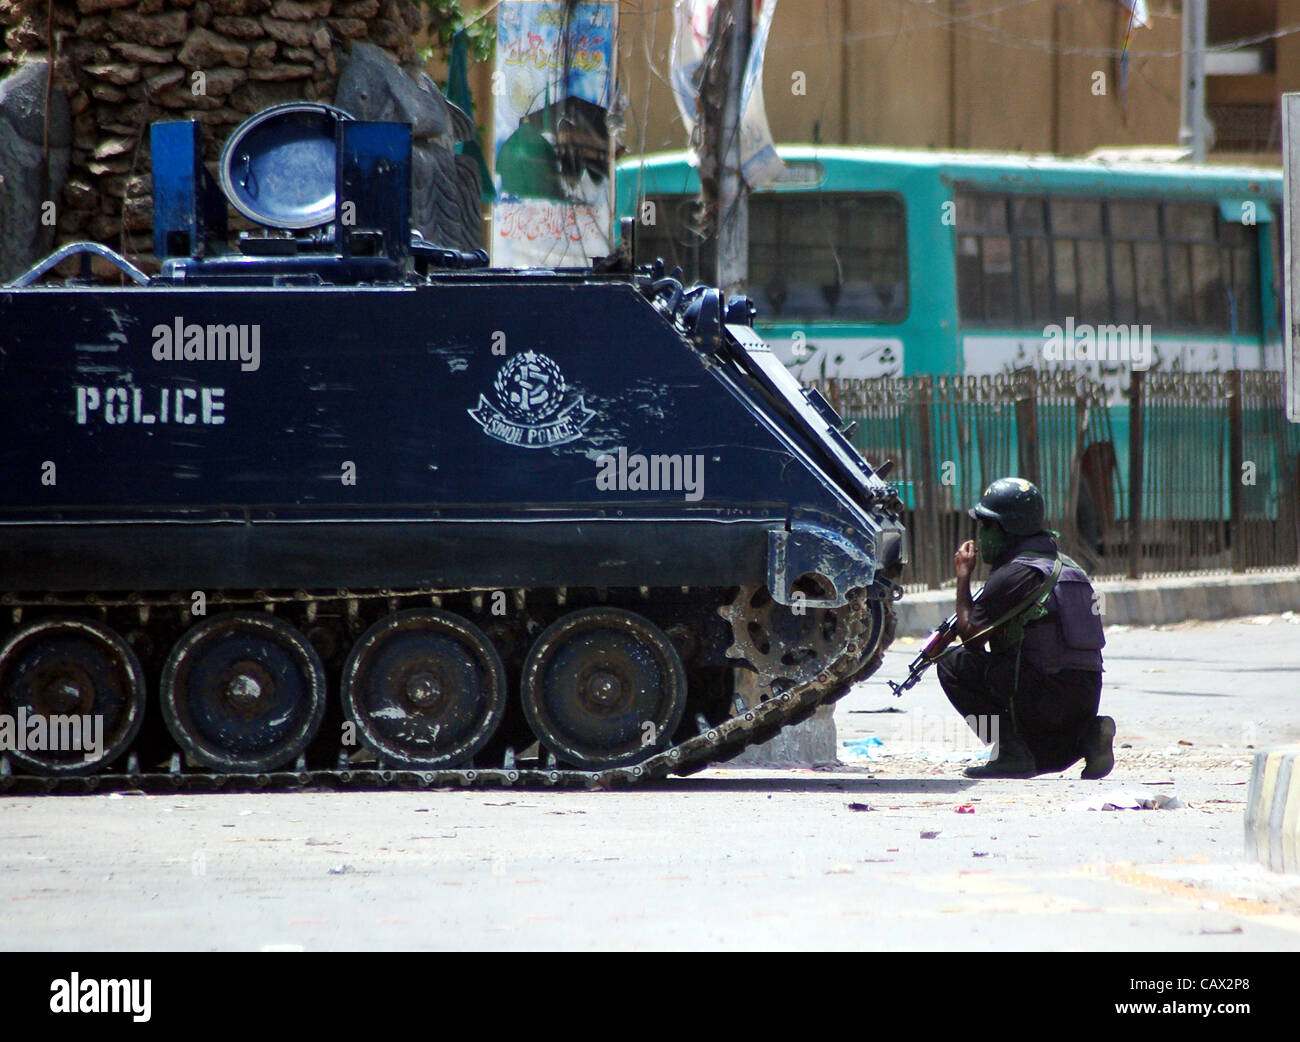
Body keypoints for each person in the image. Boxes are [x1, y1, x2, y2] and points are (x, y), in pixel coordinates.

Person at [936, 477, 1114, 779]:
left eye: (987, 526)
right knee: (1043, 761)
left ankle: (1008, 751)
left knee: (953, 665)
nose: (981, 535)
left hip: (1045, 695)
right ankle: (1087, 733)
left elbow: (971, 638)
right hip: (1084, 696)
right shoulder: (1068, 566)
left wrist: (963, 576)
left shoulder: (1016, 572)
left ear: (1007, 529)